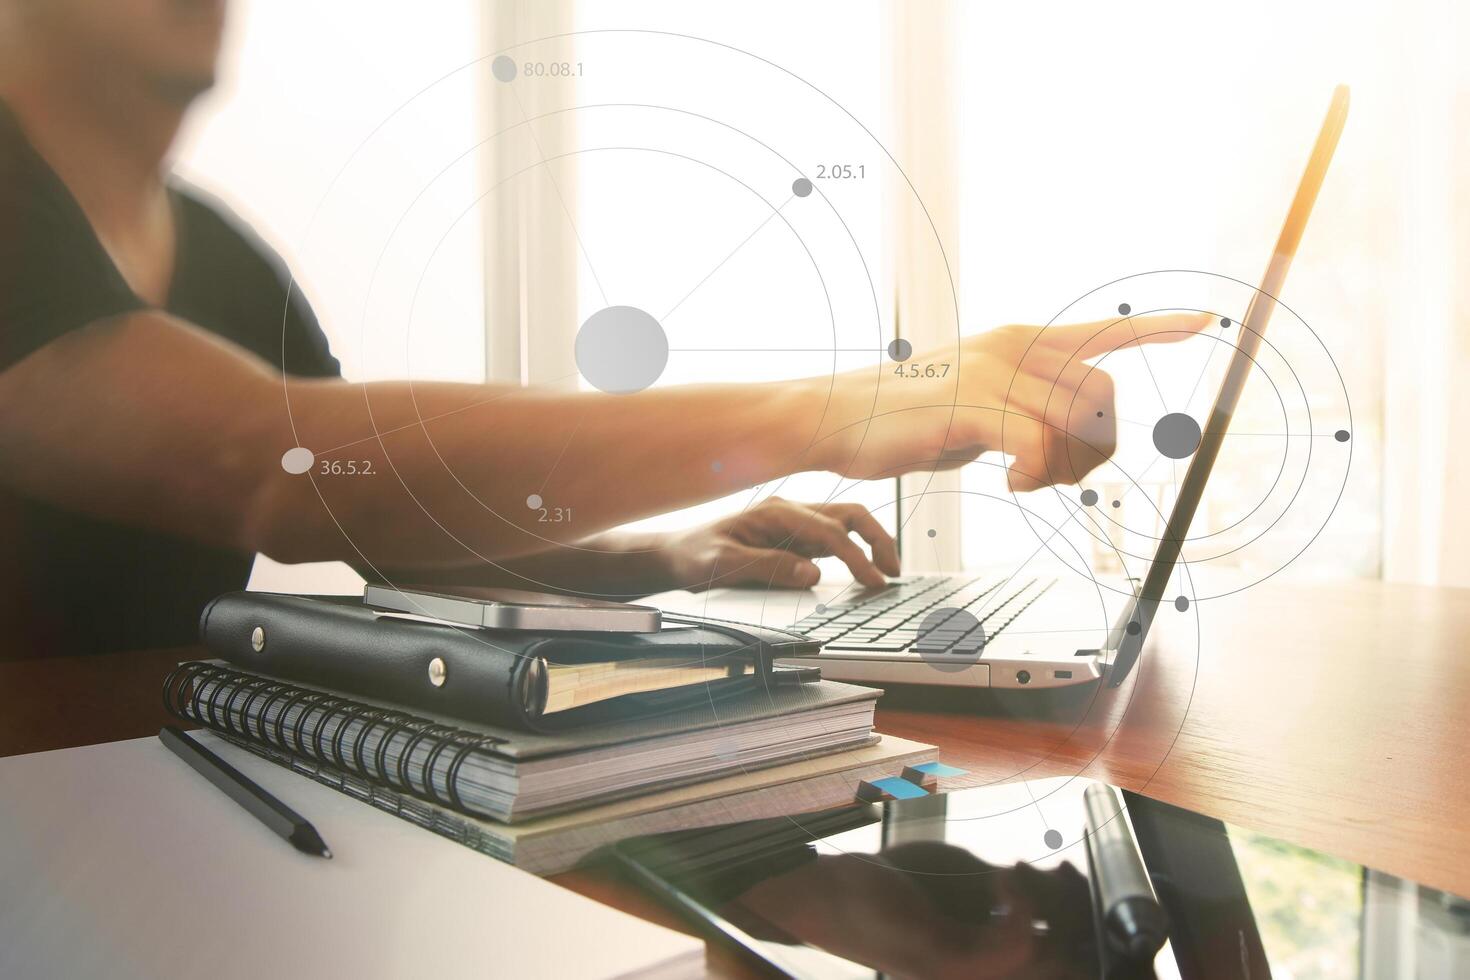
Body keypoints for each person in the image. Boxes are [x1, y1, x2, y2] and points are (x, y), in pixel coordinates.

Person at [0, 0, 1204, 656]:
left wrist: (669, 555)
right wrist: (824, 413)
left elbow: (396, 529)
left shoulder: (217, 250)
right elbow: (276, 466)